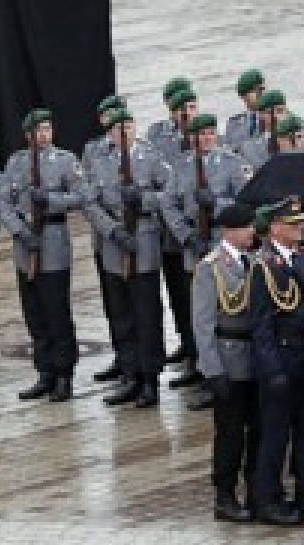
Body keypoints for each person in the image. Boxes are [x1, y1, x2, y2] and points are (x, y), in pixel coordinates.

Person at [160, 113, 256, 395]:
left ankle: (225, 369)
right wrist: (185, 234)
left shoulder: (231, 162)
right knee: (199, 311)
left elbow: (245, 201)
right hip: (195, 243)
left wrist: (217, 203)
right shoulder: (181, 166)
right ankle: (203, 369)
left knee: (225, 307)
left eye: (211, 133)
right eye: (201, 134)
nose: (207, 138)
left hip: (222, 239)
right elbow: (168, 203)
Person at [84, 108, 173, 408]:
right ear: (109, 133)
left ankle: (150, 378)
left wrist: (144, 200)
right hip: (115, 243)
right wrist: (112, 230)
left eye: (128, 127)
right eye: (117, 129)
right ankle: (130, 373)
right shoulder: (100, 162)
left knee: (146, 314)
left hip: (144, 241)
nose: (124, 133)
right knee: (121, 314)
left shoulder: (151, 157)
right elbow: (90, 202)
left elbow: (171, 193)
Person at [0, 108, 83, 403]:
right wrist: (20, 231)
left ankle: (64, 374)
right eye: (38, 130)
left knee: (57, 312)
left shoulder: (66, 160)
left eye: (47, 129)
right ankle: (45, 372)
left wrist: (50, 200)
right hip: (26, 246)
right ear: (27, 135)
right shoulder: (16, 162)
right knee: (34, 314)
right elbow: (2, 203)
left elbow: (81, 196)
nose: (44, 135)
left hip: (53, 242)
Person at [247, 199, 304, 525]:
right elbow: (261, 326)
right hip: (282, 354)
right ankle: (267, 498)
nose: (299, 228)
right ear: (275, 228)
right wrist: (272, 370)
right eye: (292, 224)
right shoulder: (263, 267)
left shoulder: (300, 258)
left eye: (300, 223)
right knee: (275, 434)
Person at [190, 202, 260, 522]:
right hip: (229, 360)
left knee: (257, 429)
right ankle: (225, 495)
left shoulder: (254, 261)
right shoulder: (210, 267)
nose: (252, 232)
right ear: (229, 231)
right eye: (246, 227)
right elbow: (203, 324)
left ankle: (255, 490)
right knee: (230, 433)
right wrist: (212, 369)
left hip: (255, 359)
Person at [147, 86, 201, 370]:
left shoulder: (204, 134)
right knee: (178, 292)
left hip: (197, 229)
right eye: (183, 109)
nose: (188, 113)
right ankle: (186, 342)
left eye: (192, 107)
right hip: (171, 230)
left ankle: (198, 351)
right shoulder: (159, 135)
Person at [83, 95, 129, 385]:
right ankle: (120, 354)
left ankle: (134, 358)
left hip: (130, 231)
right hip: (104, 234)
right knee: (112, 301)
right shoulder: (93, 150)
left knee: (131, 300)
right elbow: (88, 190)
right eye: (108, 114)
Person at [237, 90, 290, 168]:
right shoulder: (249, 149)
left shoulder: (301, 143)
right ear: (260, 115)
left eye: (280, 111)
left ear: (287, 112)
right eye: (269, 112)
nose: (275, 116)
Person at [223, 69, 266, 150]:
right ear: (244, 96)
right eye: (256, 91)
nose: (261, 94)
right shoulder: (234, 124)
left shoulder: (274, 118)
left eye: (262, 90)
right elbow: (228, 152)